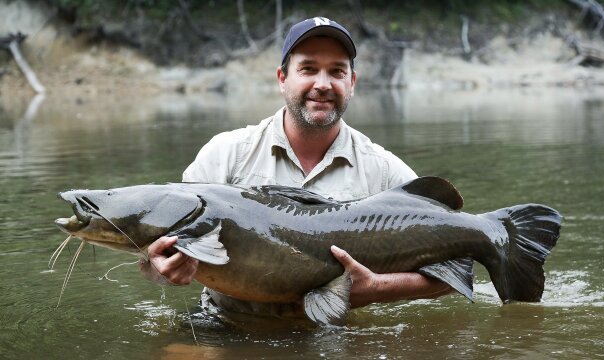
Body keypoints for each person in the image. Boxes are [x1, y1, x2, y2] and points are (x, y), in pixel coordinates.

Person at [139, 17, 454, 317]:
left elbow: (456, 270)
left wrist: (378, 288)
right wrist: (161, 270)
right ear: (282, 78)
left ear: (352, 82)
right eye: (308, 69)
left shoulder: (384, 172)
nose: (323, 84)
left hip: (332, 333)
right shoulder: (225, 155)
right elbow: (154, 259)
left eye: (336, 71)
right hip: (222, 325)